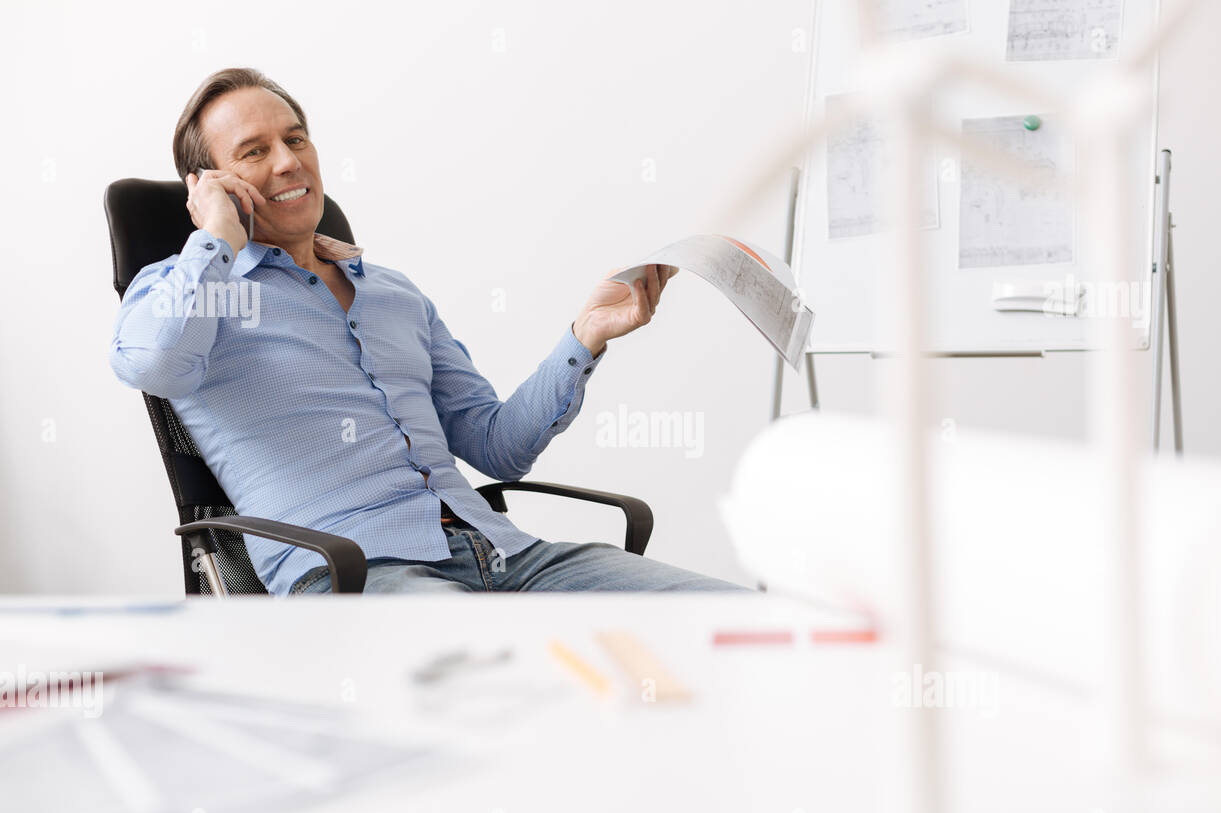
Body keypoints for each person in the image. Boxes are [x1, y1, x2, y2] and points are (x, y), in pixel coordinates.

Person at [110, 68, 746, 596]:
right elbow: (155, 364)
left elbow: (496, 447)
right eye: (254, 151)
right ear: (208, 184)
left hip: (506, 555)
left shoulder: (392, 292)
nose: (287, 162)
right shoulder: (186, 289)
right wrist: (217, 235)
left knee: (740, 620)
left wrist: (586, 335)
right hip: (357, 574)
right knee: (509, 681)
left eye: (297, 139)